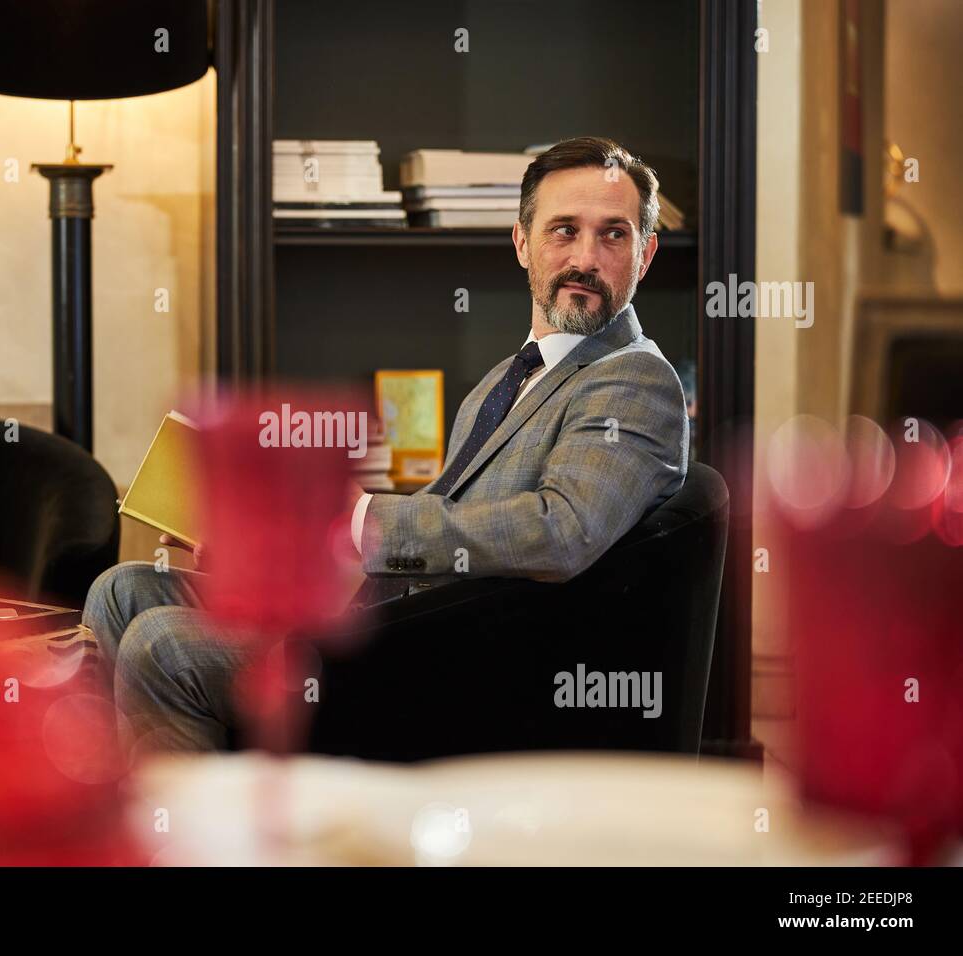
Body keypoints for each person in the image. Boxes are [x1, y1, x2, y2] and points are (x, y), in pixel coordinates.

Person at [85, 136, 689, 755]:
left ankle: (189, 842)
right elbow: (444, 524)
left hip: (461, 666)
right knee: (124, 589)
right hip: (402, 617)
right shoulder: (505, 379)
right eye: (563, 230)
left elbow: (562, 532)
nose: (586, 256)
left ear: (644, 256)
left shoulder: (634, 379)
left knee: (163, 644)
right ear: (522, 243)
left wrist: (358, 518)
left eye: (613, 235)